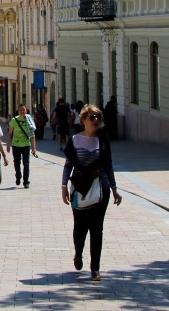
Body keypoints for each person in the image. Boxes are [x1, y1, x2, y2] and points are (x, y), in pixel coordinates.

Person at [61, 104, 122, 281]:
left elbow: (108, 165)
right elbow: (68, 166)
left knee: (97, 229)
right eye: (92, 117)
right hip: (79, 187)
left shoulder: (103, 140)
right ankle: (78, 253)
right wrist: (64, 187)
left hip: (100, 188)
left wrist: (114, 189)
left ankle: (95, 268)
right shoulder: (75, 140)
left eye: (98, 118)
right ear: (83, 120)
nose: (96, 120)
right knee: (80, 227)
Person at [7, 103, 38, 188]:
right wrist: (8, 145)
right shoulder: (14, 120)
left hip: (26, 145)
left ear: (26, 110)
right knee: (17, 162)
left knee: (26, 163)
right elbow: (10, 133)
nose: (22, 111)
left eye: (23, 110)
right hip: (16, 145)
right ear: (18, 111)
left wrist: (34, 147)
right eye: (20, 110)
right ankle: (18, 175)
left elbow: (32, 135)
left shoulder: (29, 120)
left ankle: (26, 181)